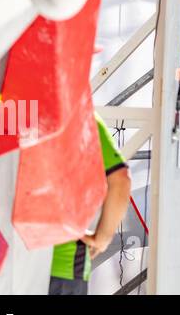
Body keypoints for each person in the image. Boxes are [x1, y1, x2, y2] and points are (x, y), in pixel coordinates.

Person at [48, 113, 132, 295]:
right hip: (63, 265)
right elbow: (120, 180)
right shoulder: (80, 116)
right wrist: (102, 239)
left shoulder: (8, 107)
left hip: (2, 257)